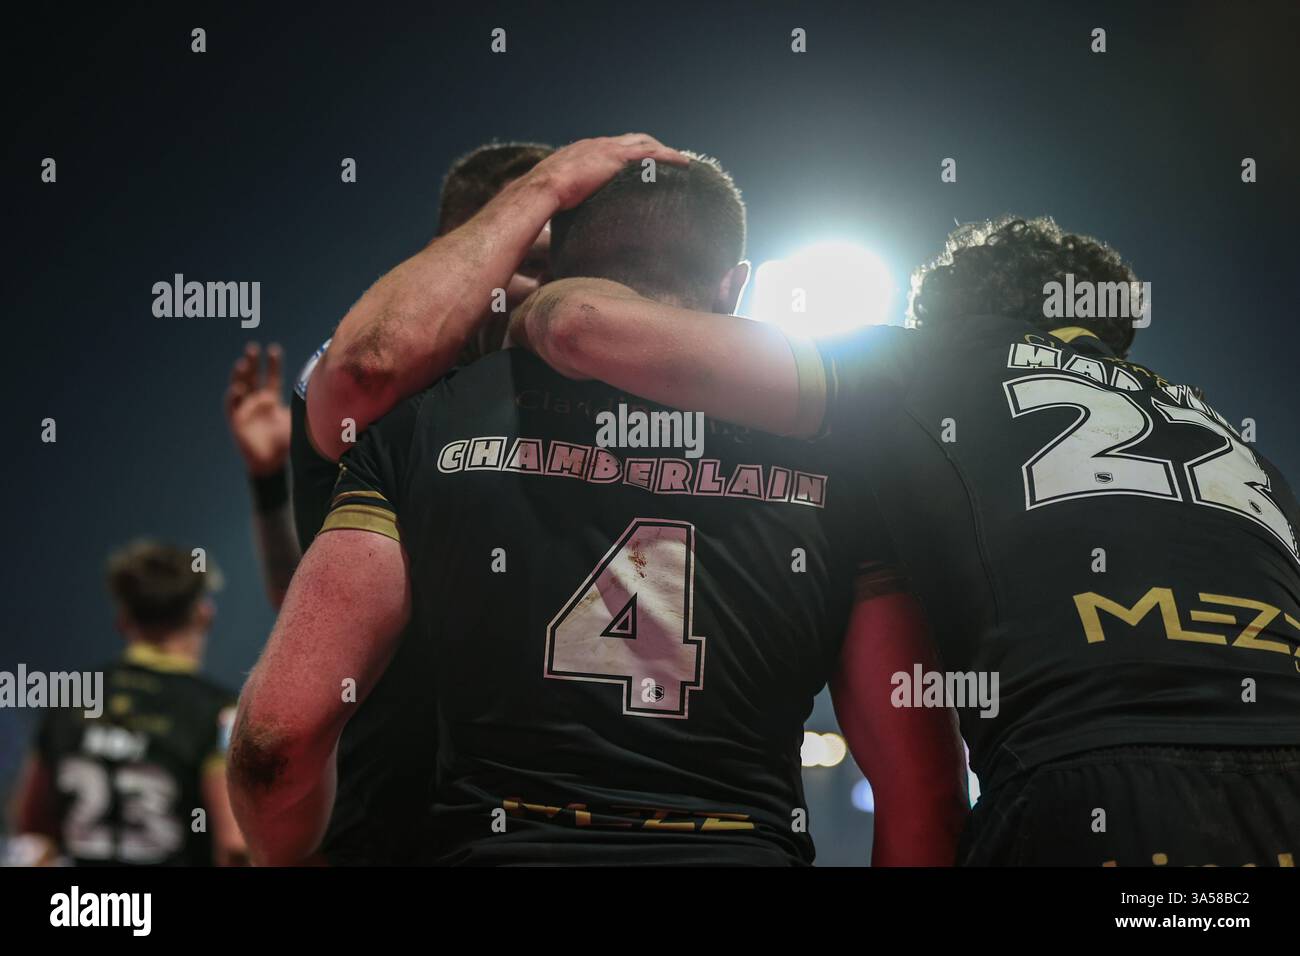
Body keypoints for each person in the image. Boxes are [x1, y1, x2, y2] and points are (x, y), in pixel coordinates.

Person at [227, 154, 968, 866]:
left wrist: (283, 857)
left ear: (558, 268)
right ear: (733, 285)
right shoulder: (840, 451)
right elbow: (924, 785)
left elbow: (276, 737)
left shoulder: (421, 427)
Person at [510, 214, 1300, 866]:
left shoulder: (920, 361)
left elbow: (586, 331)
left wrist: (541, 284)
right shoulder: (1229, 435)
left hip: (1099, 785)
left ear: (948, 314)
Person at [9, 540, 245, 866]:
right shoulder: (219, 712)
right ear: (203, 614)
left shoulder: (71, 695)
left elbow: (32, 824)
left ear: (122, 618)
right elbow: (233, 844)